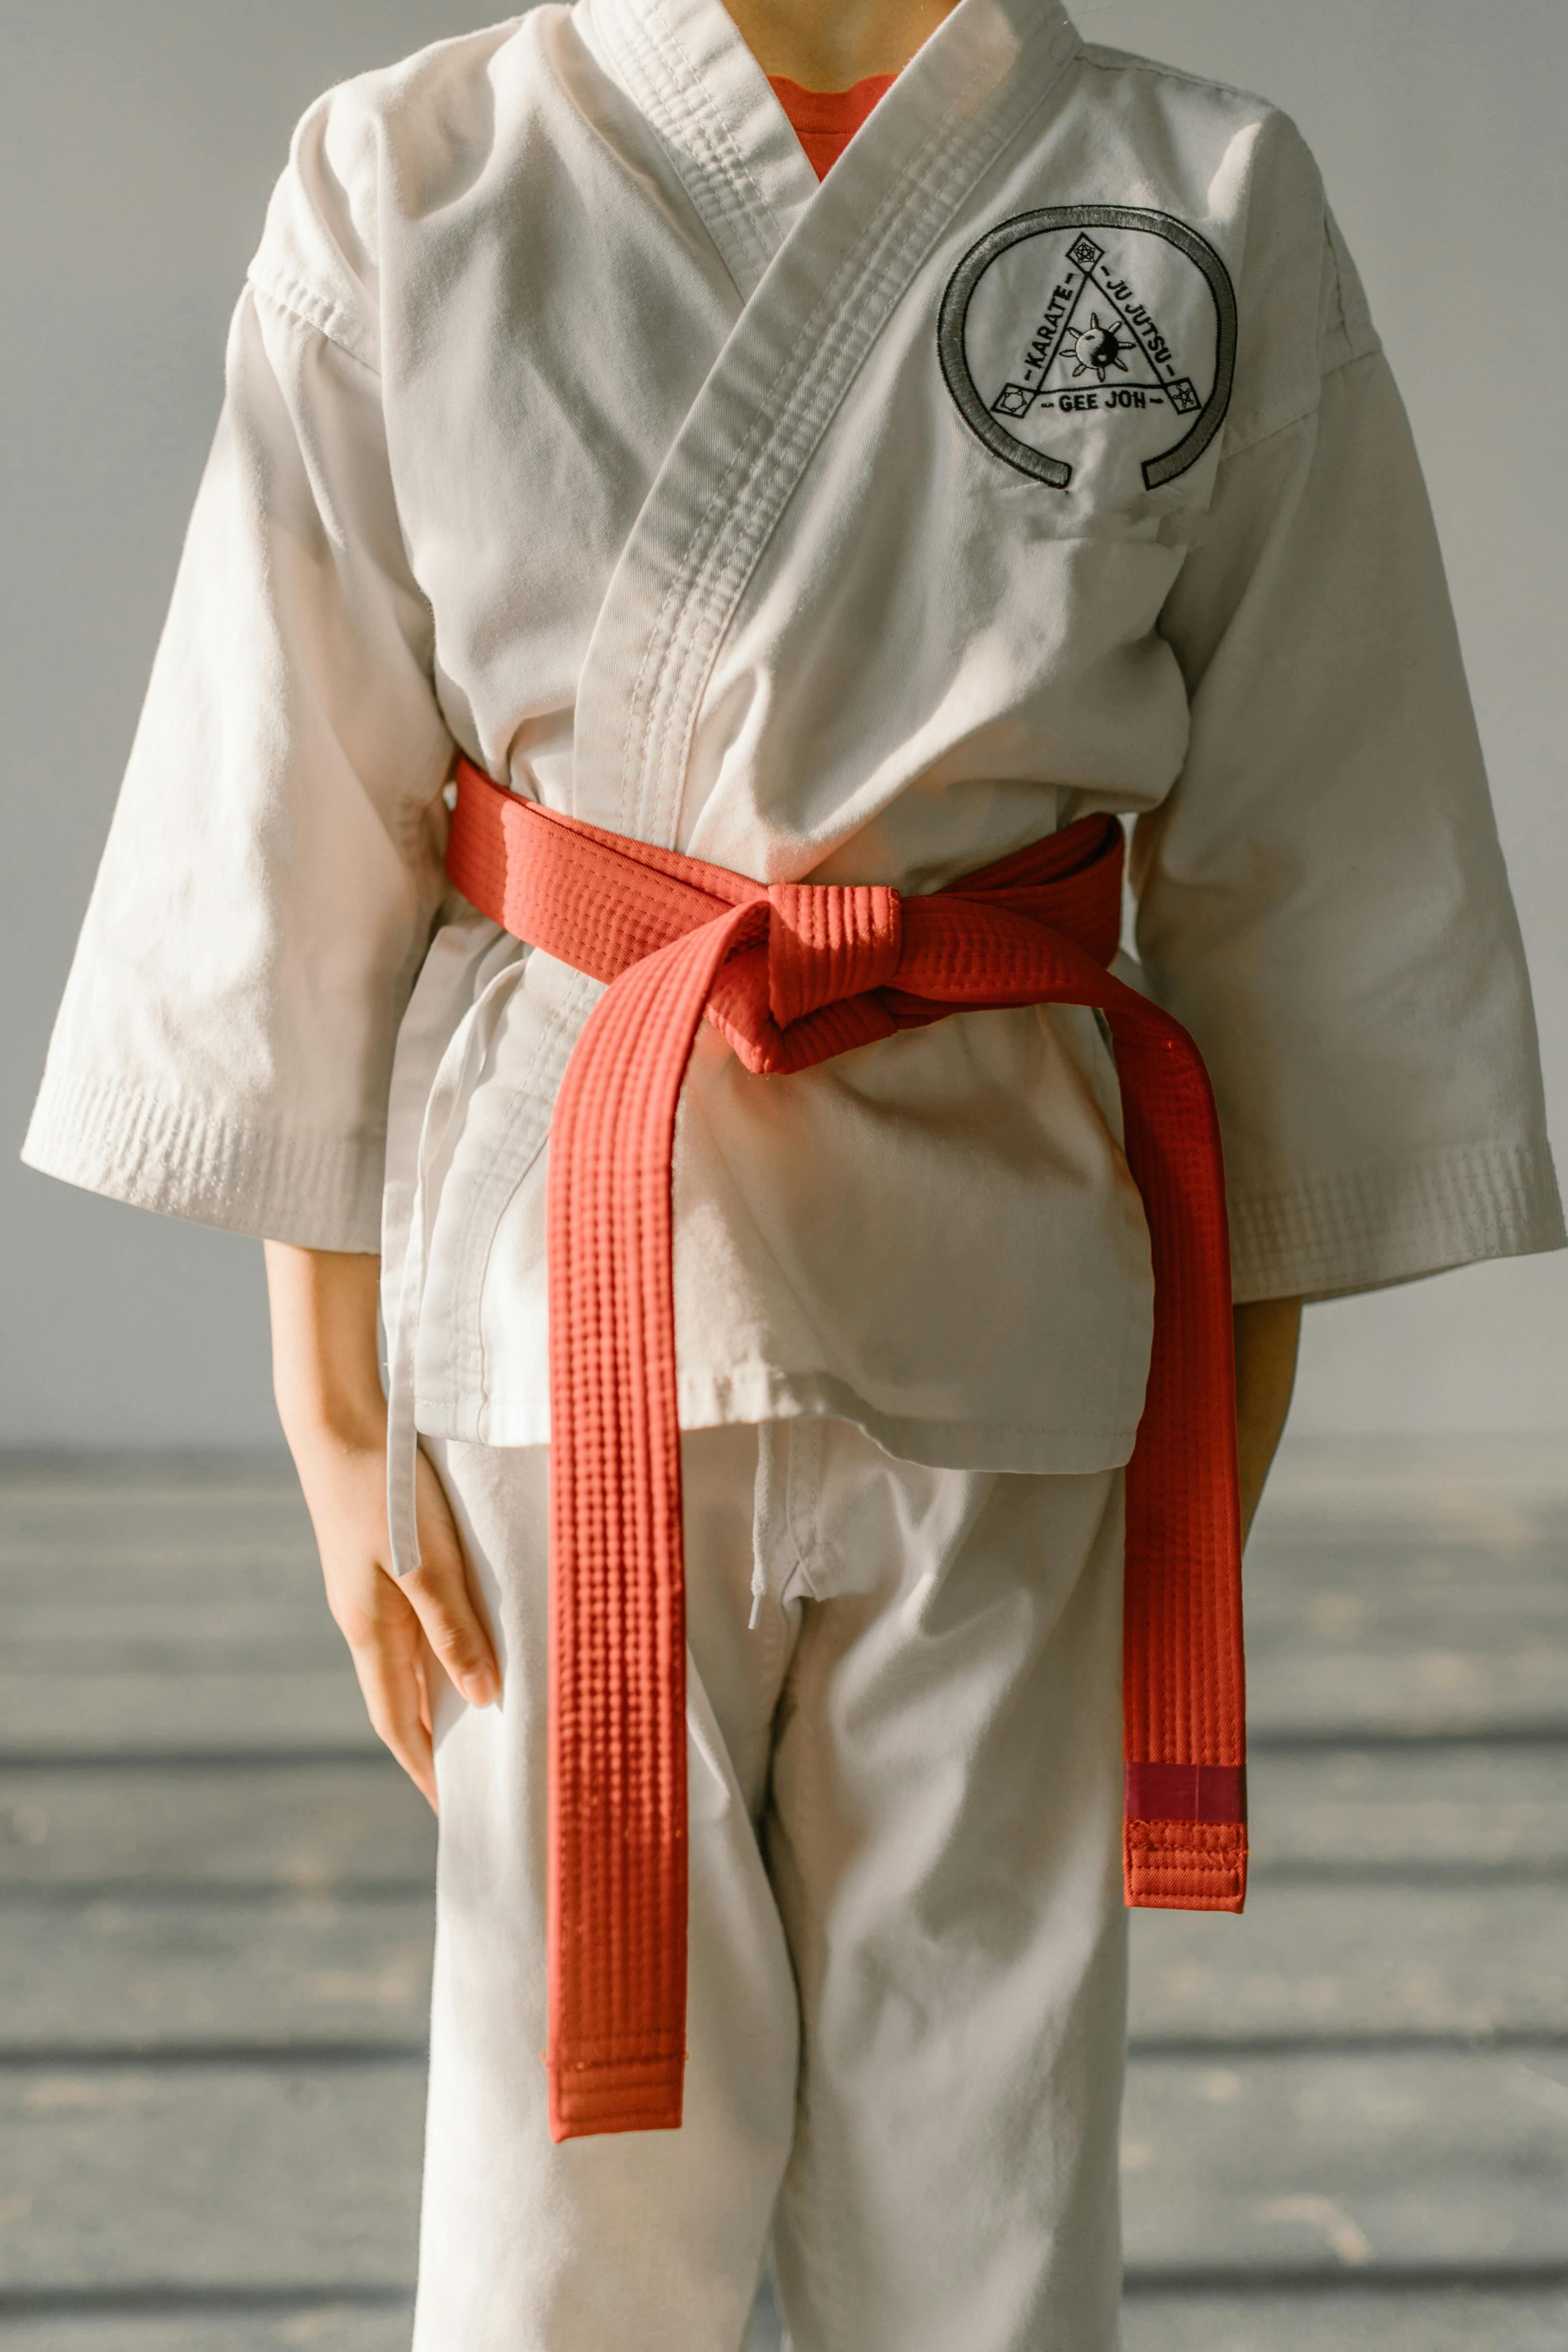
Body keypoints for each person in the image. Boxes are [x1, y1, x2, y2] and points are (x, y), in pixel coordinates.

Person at [22, 0, 1561, 2342]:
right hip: (574, 1284)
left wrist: (1225, 1400)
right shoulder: (413, 171)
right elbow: (291, 805)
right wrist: (332, 1409)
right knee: (577, 2172)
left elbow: (1313, 847)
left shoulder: (1196, 194)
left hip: (1019, 1279)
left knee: (984, 2132)